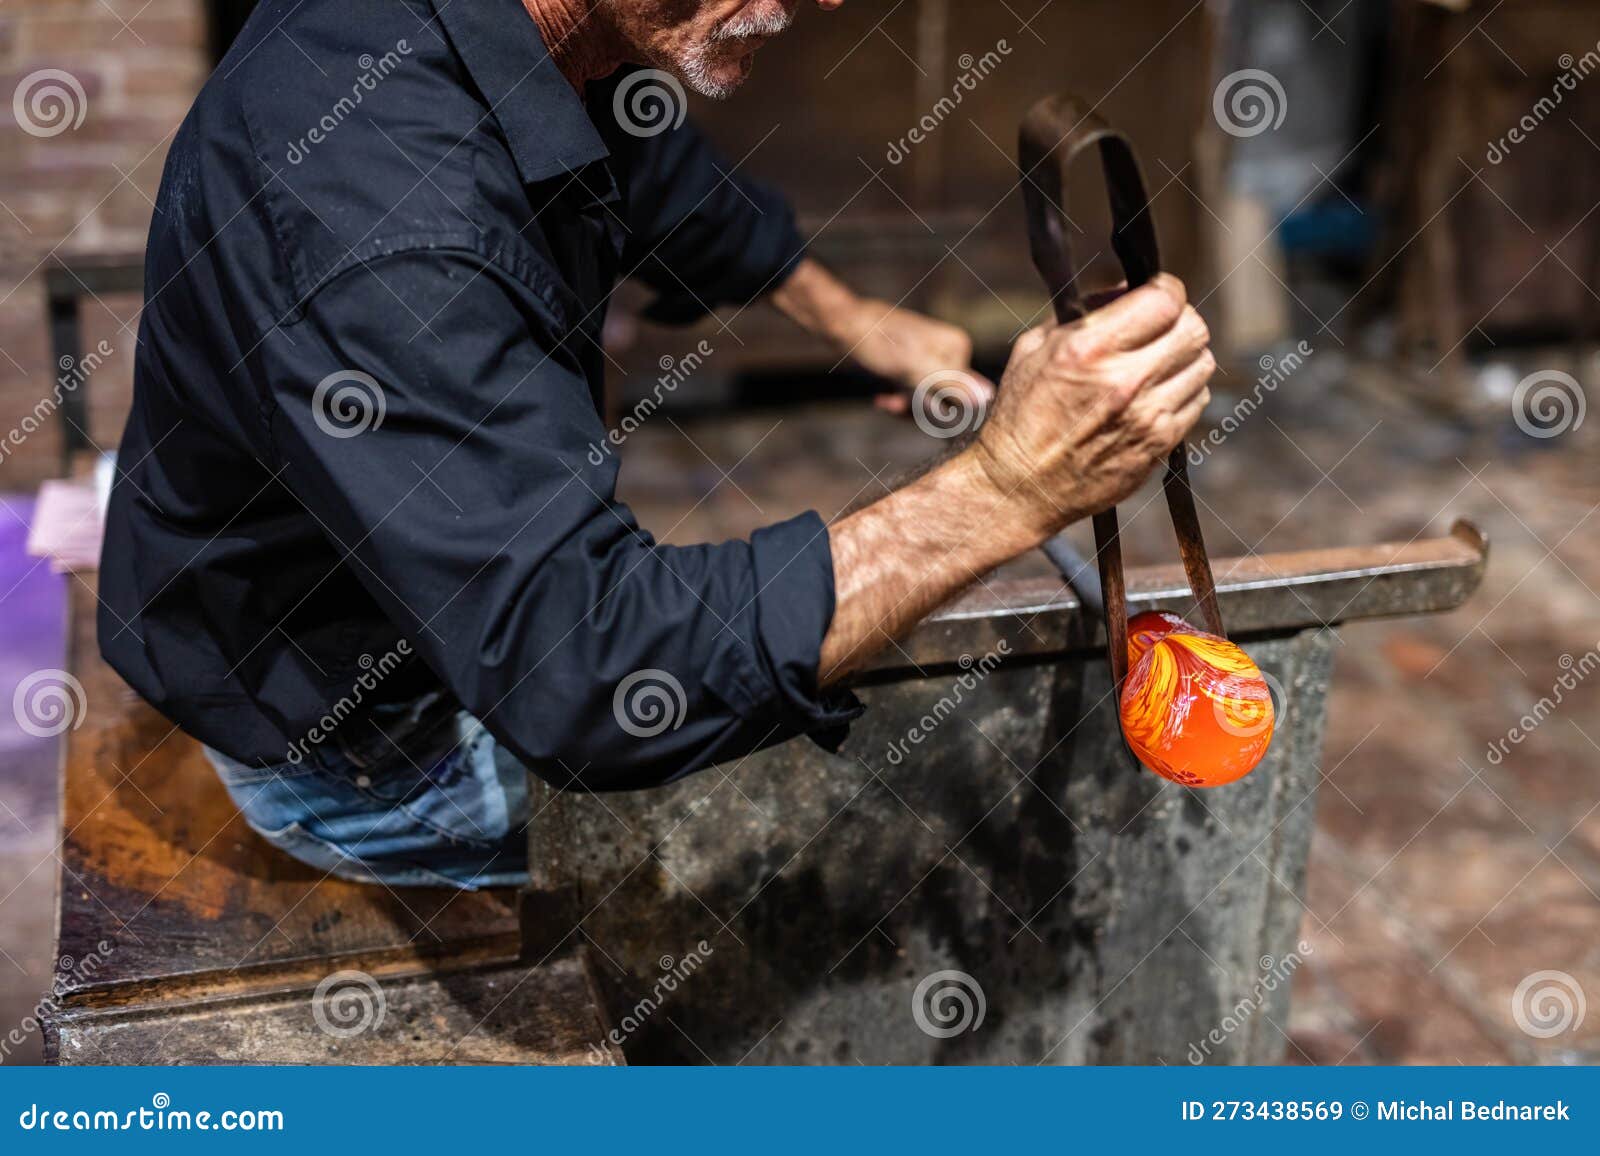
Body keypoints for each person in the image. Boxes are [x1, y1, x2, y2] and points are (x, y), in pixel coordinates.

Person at [99, 0, 1214, 889]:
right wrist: (1007, 489)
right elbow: (582, 669)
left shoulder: (548, 43)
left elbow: (666, 180)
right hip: (367, 754)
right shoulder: (384, 222)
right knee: (886, 829)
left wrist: (859, 322)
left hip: (436, 632)